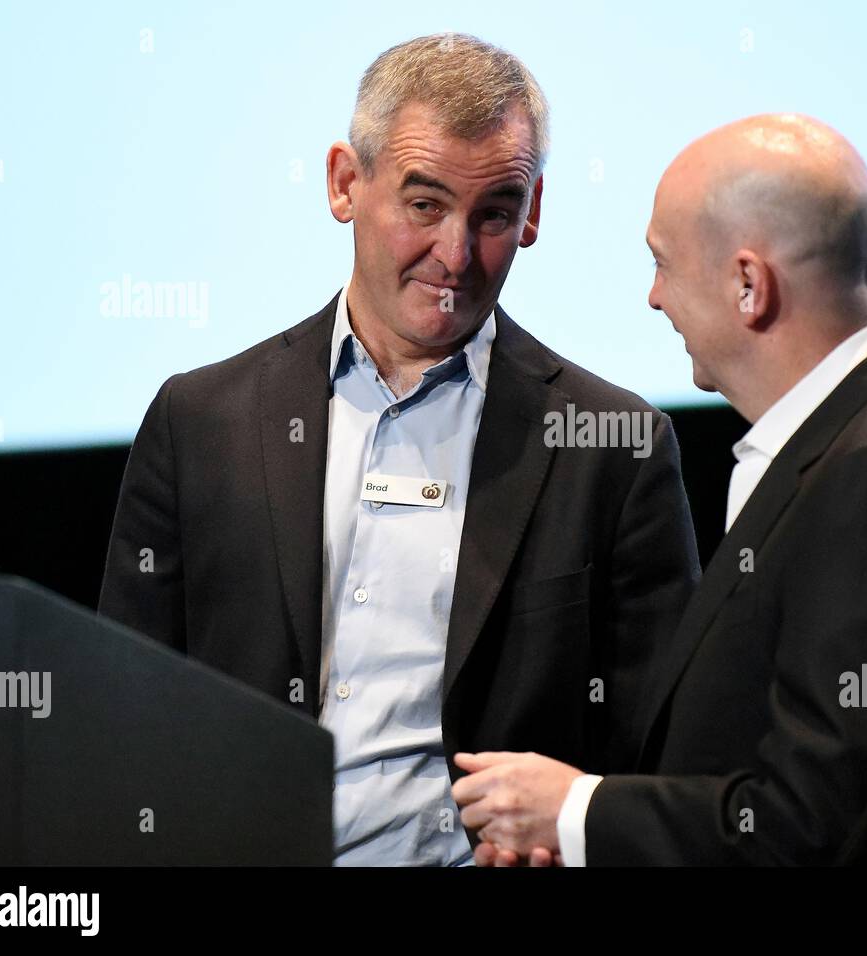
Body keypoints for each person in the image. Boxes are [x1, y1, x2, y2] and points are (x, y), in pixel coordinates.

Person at [97, 33, 699, 866]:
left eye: (493, 212)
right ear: (346, 183)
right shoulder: (201, 422)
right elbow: (124, 714)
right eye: (425, 205)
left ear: (533, 214)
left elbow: (662, 756)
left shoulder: (614, 447)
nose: (456, 256)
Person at [452, 113, 867, 866]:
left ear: (748, 285)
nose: (654, 297)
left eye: (662, 263)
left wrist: (576, 813)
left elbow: (818, 829)